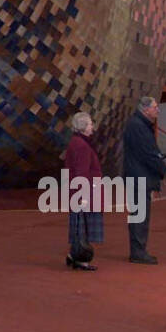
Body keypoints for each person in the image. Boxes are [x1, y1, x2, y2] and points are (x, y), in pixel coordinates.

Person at [122, 96, 166, 264]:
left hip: (139, 176)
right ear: (145, 109)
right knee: (139, 215)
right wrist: (163, 169)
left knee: (140, 215)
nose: (157, 110)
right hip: (138, 177)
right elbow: (148, 153)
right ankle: (137, 252)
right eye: (155, 107)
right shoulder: (137, 126)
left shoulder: (140, 125)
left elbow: (150, 151)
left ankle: (139, 250)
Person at [64, 111, 103, 271]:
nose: (92, 126)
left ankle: (74, 255)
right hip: (86, 191)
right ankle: (81, 259)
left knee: (78, 225)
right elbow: (82, 172)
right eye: (90, 124)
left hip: (79, 190)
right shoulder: (82, 146)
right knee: (84, 226)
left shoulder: (75, 142)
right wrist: (83, 195)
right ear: (83, 127)